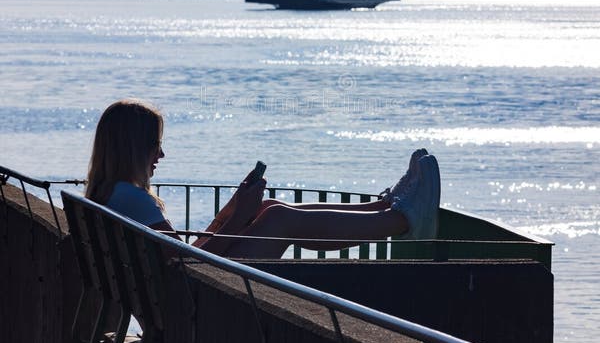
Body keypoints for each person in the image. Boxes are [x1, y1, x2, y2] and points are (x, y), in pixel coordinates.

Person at [86, 99, 441, 258]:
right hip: (190, 306)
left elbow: (185, 254)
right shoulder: (133, 199)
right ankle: (401, 218)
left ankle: (381, 207)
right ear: (133, 149)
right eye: (155, 146)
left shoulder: (111, 196)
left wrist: (232, 212)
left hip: (174, 301)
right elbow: (185, 262)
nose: (160, 156)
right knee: (278, 218)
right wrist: (240, 218)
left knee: (270, 207)